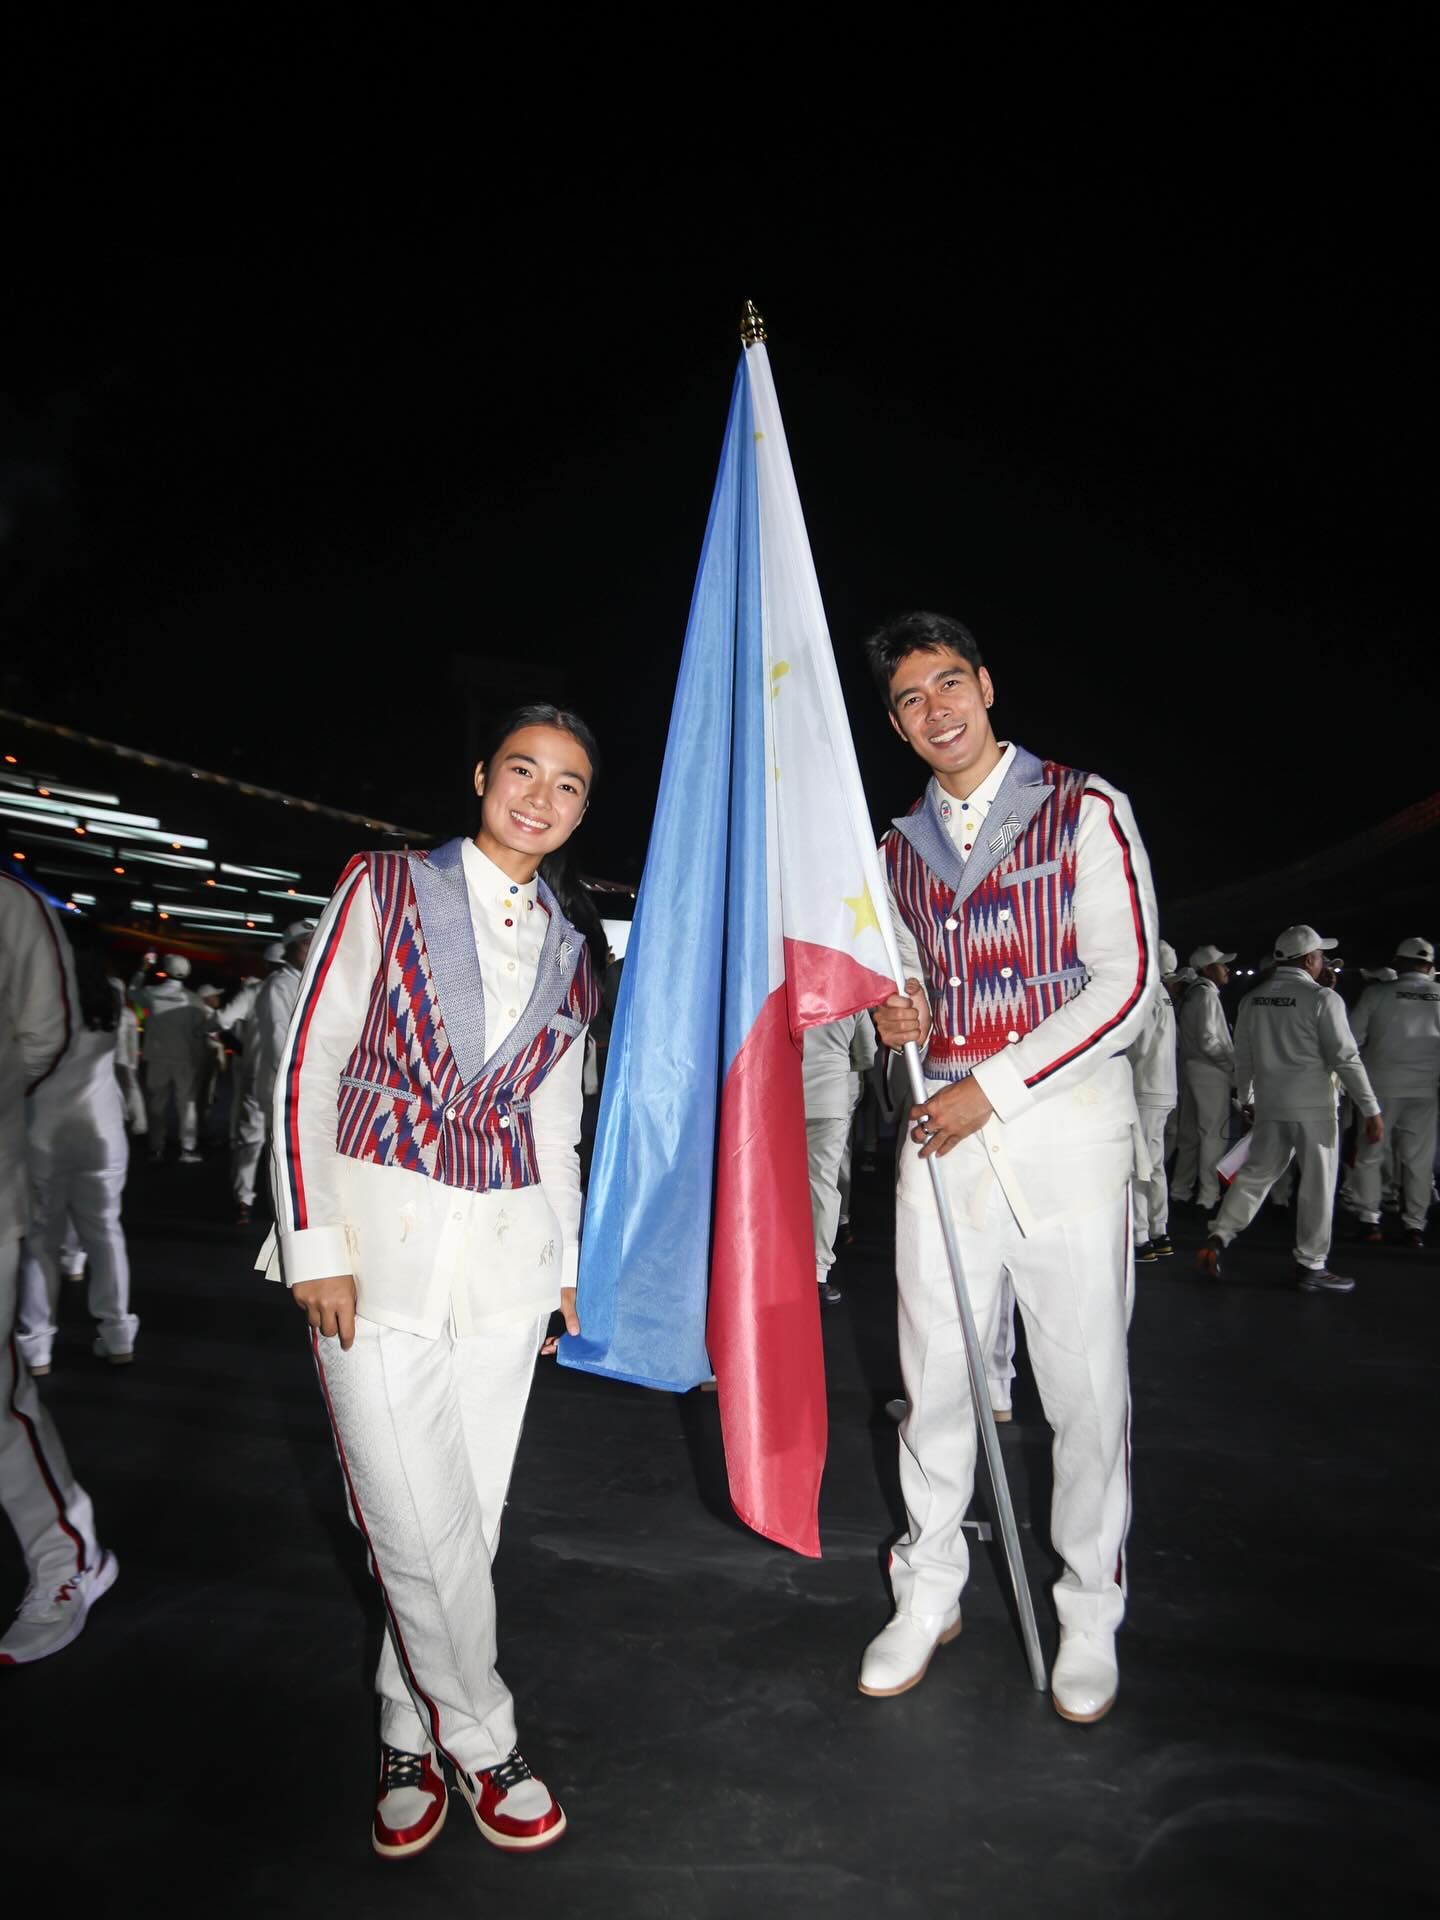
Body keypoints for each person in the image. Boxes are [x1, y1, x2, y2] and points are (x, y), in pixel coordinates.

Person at [258, 705, 603, 1859]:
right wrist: (315, 1242)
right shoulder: (387, 885)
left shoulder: (570, 947)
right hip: (373, 1255)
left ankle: (405, 1733)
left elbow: (554, 1123)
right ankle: (485, 1740)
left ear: (581, 812)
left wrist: (564, 1264)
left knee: (467, 1520)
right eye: (523, 770)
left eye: (567, 785)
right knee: (409, 1518)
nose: (540, 798)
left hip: (505, 1265)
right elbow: (309, 1064)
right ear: (481, 776)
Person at [859, 613, 1157, 1727]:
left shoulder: (1084, 807)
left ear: (985, 686)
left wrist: (994, 1086)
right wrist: (896, 1012)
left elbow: (1125, 986)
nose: (935, 710)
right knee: (935, 1382)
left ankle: (1089, 1609)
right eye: (910, 699)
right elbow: (899, 979)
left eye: (949, 684)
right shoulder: (893, 849)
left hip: (1063, 1142)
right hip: (942, 1146)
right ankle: (927, 1586)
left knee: (1084, 1394)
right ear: (896, 725)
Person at [0, 873, 116, 1663]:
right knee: (96, 1238)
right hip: (75, 1138)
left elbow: (43, 1038)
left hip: (31, 1150)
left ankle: (64, 1551)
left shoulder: (11, 904)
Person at [1198, 925, 1381, 1293]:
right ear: (1310, 959)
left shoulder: (1252, 1000)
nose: (1323, 962)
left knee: (1255, 1176)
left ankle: (1219, 1235)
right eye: (1321, 956)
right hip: (1314, 1108)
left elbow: (1243, 1057)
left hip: (1270, 1105)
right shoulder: (1323, 999)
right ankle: (1312, 1264)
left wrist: (1247, 1099)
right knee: (1317, 1185)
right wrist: (1370, 1107)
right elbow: (1345, 1058)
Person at [16, 920, 139, 1372]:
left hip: (42, 1133)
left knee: (40, 1242)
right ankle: (118, 1334)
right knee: (105, 1234)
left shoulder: (29, 995)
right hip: (102, 1133)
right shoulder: (111, 994)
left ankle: (37, 1345)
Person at [1348, 937, 1439, 1247]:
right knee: (1419, 1161)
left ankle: (1369, 1220)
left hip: (1380, 1088)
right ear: (1430, 965)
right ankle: (1415, 1226)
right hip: (1426, 1089)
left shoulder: (1377, 993)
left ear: (1398, 962)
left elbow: (1351, 1040)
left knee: (1371, 1154)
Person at [232, 927, 314, 1223]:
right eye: (304, 943)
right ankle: (274, 1211)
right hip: (283, 1082)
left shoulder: (301, 981)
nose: (310, 947)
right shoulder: (279, 986)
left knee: (267, 1145)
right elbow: (281, 1041)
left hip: (284, 1079)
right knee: (277, 1149)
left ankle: (254, 1201)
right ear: (287, 950)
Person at [803, 1011, 877, 1305]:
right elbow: (867, 1054)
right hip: (830, 1098)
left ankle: (770, 1264)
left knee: (775, 1185)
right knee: (823, 1183)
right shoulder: (850, 994)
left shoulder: (782, 988)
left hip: (782, 1095)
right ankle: (818, 1273)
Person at [1170, 945, 1236, 1211]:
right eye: (1222, 964)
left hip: (1191, 1068)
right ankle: (1208, 1196)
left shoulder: (1192, 993)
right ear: (1208, 969)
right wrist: (1231, 1066)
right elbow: (1209, 1040)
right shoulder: (1207, 994)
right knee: (1213, 1134)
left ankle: (1180, 1189)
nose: (1227, 968)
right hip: (1210, 1071)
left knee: (1190, 1135)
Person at [131, 952, 211, 1161]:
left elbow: (132, 992)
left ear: (165, 971)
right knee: (187, 1105)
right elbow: (200, 1032)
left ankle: (156, 1148)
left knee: (157, 1103)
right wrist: (200, 1060)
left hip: (157, 1057)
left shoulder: (151, 993)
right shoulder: (194, 1000)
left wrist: (143, 969)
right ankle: (187, 1149)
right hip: (185, 1059)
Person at [1128, 939, 1179, 1261]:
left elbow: (1140, 1045)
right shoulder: (1162, 993)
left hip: (1144, 1088)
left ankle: (1140, 1236)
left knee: (1138, 1165)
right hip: (1163, 1088)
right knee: (1156, 1164)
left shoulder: (1146, 994)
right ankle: (1160, 1229)